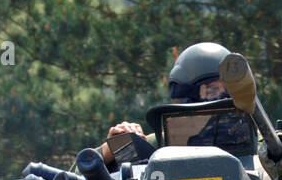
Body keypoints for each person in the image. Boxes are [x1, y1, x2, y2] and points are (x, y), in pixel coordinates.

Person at [97, 42, 231, 166]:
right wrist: (110, 150)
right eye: (213, 89)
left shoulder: (250, 141)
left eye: (229, 90)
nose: (223, 98)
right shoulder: (160, 146)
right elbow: (80, 178)